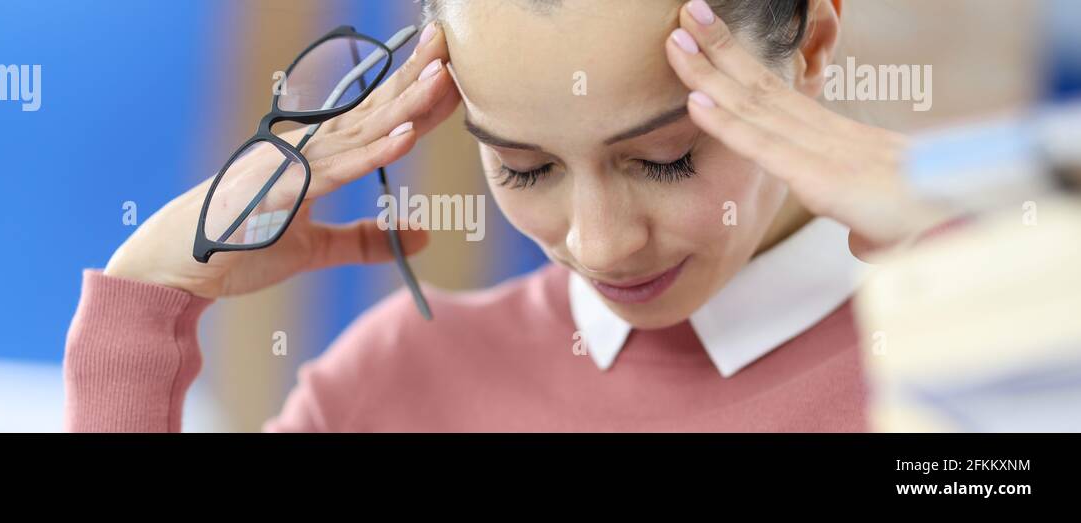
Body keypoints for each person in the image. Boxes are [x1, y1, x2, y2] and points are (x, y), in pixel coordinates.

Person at [65, 0, 952, 432]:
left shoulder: (969, 356)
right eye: (525, 167)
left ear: (812, 50)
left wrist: (982, 263)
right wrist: (144, 308)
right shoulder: (399, 384)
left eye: (664, 157)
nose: (600, 243)